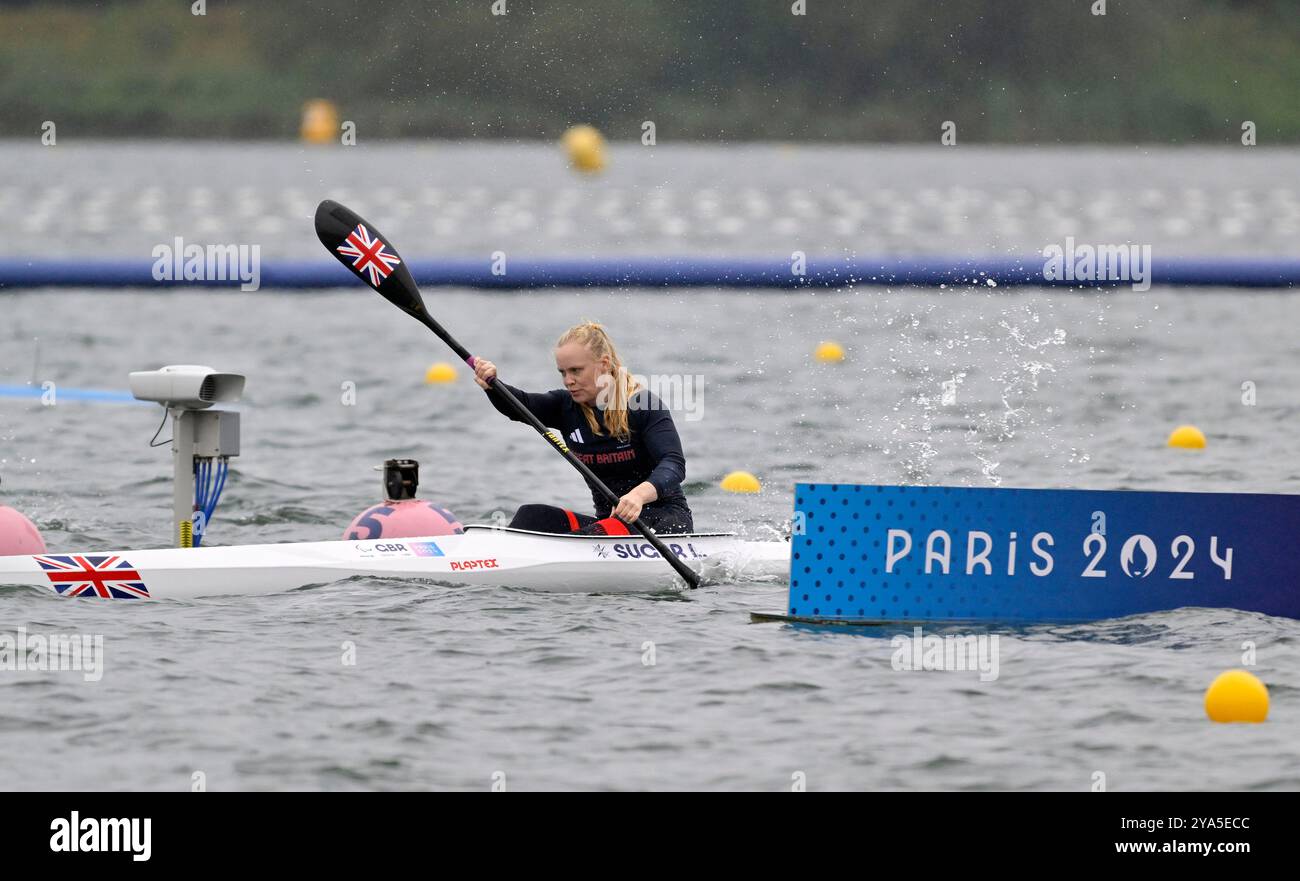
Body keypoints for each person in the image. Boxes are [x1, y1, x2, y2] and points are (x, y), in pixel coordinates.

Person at [473, 321, 693, 536]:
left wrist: (638, 496)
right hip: (608, 525)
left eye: (576, 371)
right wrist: (493, 385)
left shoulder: (642, 406)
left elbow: (674, 464)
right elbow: (520, 406)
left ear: (604, 364)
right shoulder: (564, 406)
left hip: (665, 522)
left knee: (591, 534)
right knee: (530, 516)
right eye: (563, 372)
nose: (568, 381)